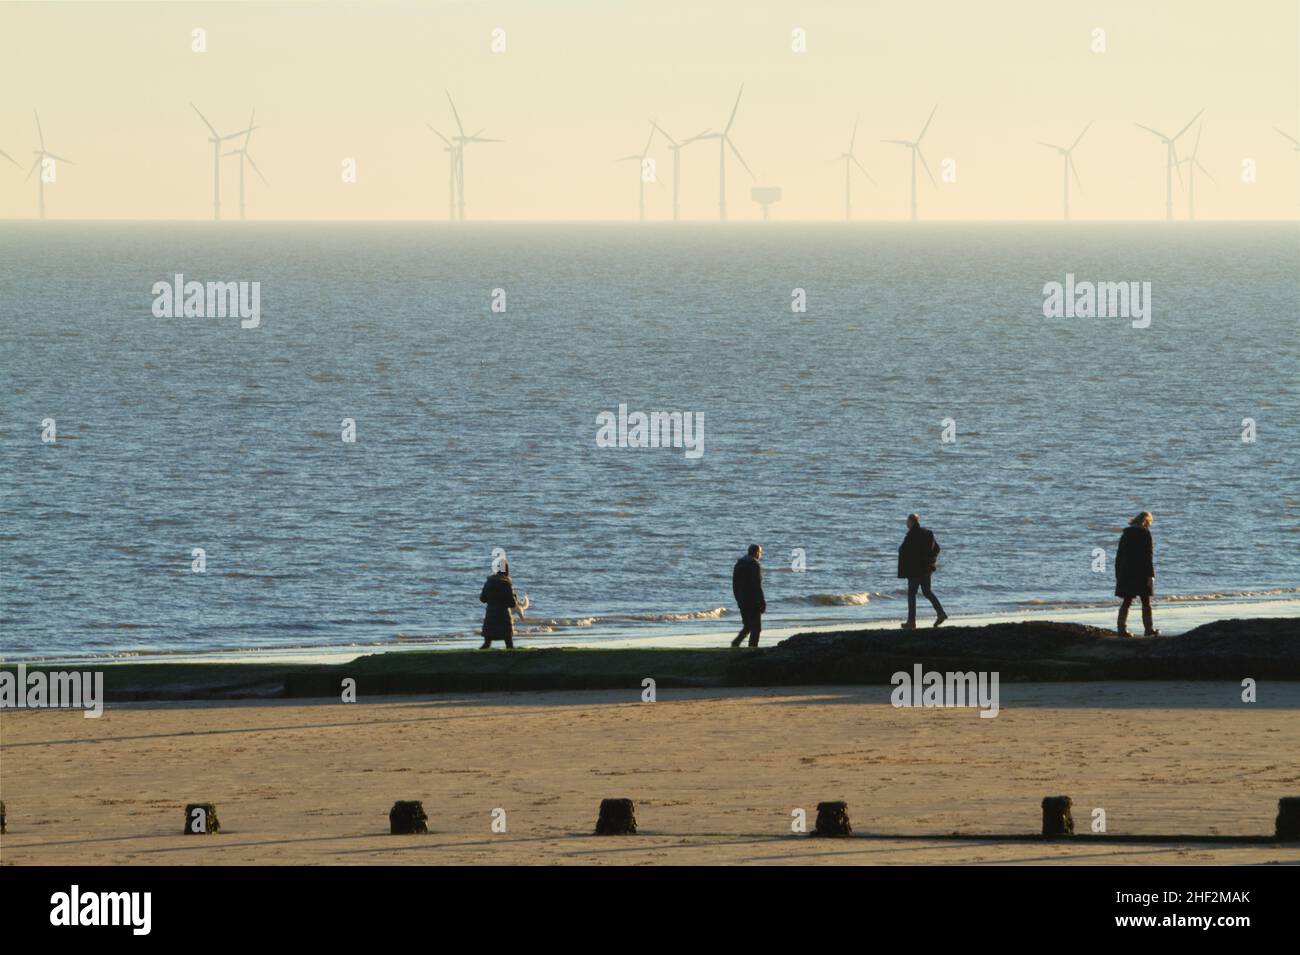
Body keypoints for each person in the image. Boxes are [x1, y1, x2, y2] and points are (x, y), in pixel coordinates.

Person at [898, 513, 948, 629]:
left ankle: (911, 621)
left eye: (907, 521)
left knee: (911, 594)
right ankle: (941, 613)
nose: (906, 523)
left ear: (912, 522)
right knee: (927, 592)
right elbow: (937, 549)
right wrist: (931, 561)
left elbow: (904, 551)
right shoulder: (928, 533)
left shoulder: (911, 536)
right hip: (926, 569)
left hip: (915, 570)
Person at [1115, 511, 1159, 636]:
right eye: (1149, 523)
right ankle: (1148, 629)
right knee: (1146, 601)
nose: (1149, 526)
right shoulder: (1145, 534)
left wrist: (1118, 573)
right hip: (1141, 572)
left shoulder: (1126, 534)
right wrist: (1151, 575)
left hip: (1126, 572)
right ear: (1146, 521)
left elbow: (1119, 556)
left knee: (1127, 601)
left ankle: (1121, 629)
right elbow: (1148, 556)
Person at [479, 559, 526, 649]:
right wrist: (514, 598)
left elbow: (482, 599)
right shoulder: (506, 583)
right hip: (503, 618)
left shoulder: (489, 582)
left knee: (487, 644)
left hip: (491, 617)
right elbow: (512, 604)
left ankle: (477, 658)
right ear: (507, 570)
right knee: (509, 643)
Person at [731, 544, 766, 647]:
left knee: (748, 626)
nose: (760, 555)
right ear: (756, 552)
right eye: (760, 552)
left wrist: (738, 599)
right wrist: (762, 602)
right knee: (756, 628)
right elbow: (757, 585)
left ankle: (735, 643)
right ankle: (752, 648)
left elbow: (734, 584)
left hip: (742, 600)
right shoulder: (754, 564)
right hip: (753, 601)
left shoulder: (739, 563)